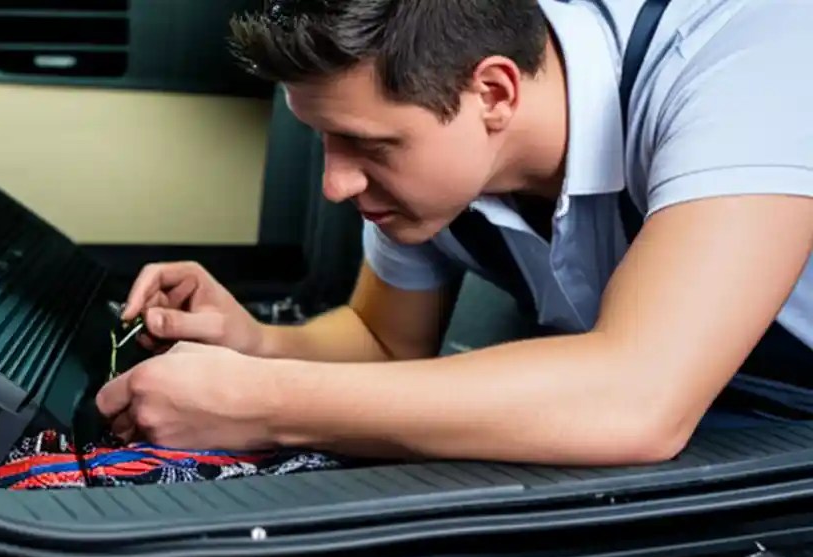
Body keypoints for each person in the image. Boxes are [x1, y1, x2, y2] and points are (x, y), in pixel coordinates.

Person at [95, 0, 813, 466]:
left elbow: (636, 399)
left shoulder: (743, 59)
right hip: (716, 427)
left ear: (493, 92)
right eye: (321, 140)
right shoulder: (438, 171)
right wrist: (251, 343)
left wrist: (259, 403)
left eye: (369, 146)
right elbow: (384, 342)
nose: (336, 185)